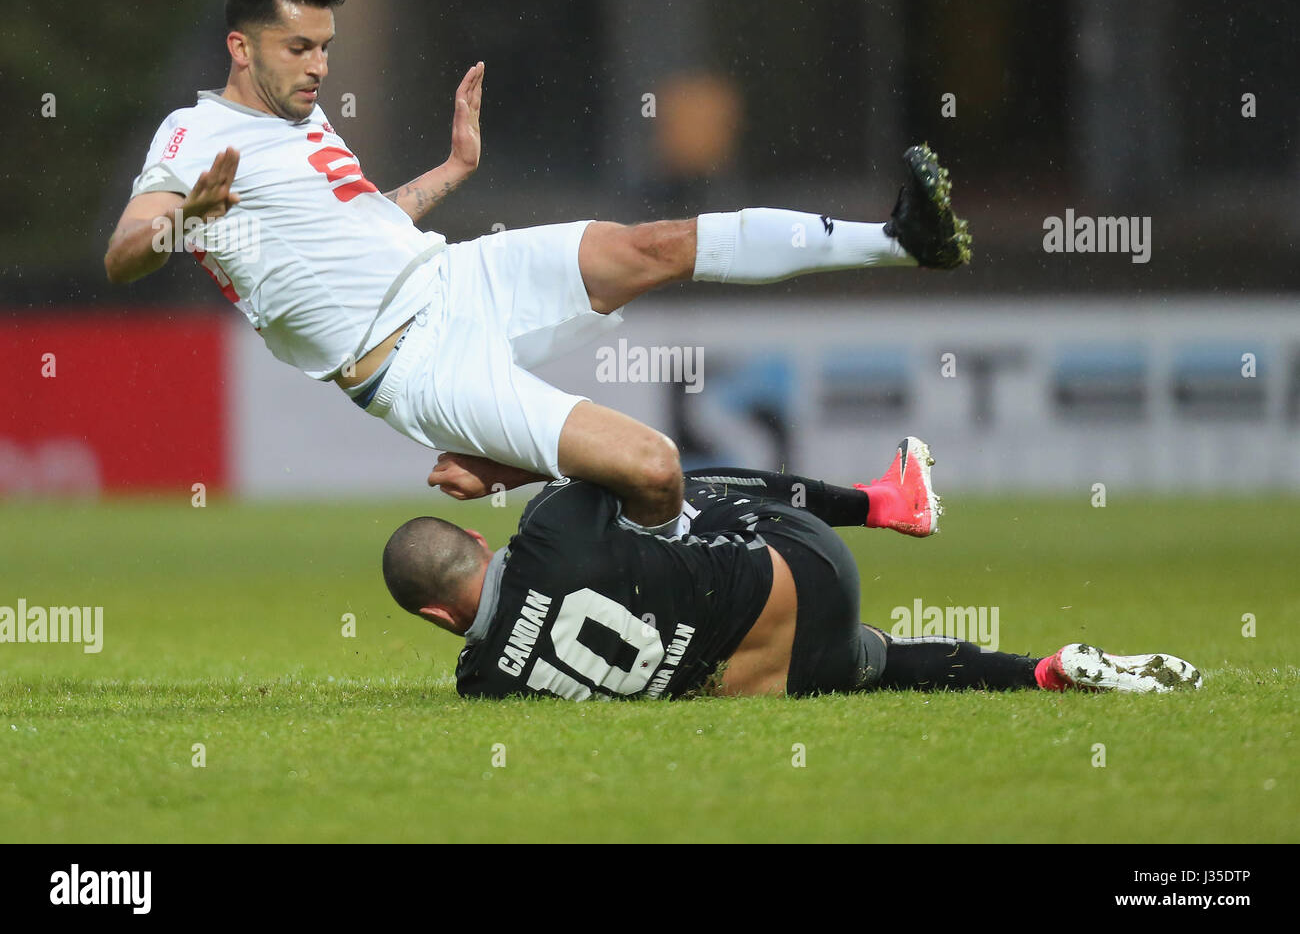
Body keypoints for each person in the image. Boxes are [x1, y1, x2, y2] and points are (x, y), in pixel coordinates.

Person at [105, 0, 972, 533]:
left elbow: (364, 226)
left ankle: (901, 240)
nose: (318, 66)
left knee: (652, 244)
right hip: (412, 362)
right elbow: (125, 253)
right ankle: (737, 582)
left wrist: (453, 169)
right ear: (239, 46)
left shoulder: (303, 115)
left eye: (325, 48)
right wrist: (187, 219)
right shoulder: (194, 134)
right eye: (298, 48)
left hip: (453, 276)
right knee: (652, 468)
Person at [381, 438, 1203, 699]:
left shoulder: (481, 683)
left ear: (434, 617)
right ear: (479, 543)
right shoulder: (549, 529)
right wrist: (506, 473)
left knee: (874, 664)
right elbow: (633, 461)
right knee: (674, 479)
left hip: (776, 672)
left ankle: (1042, 674)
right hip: (809, 571)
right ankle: (886, 504)